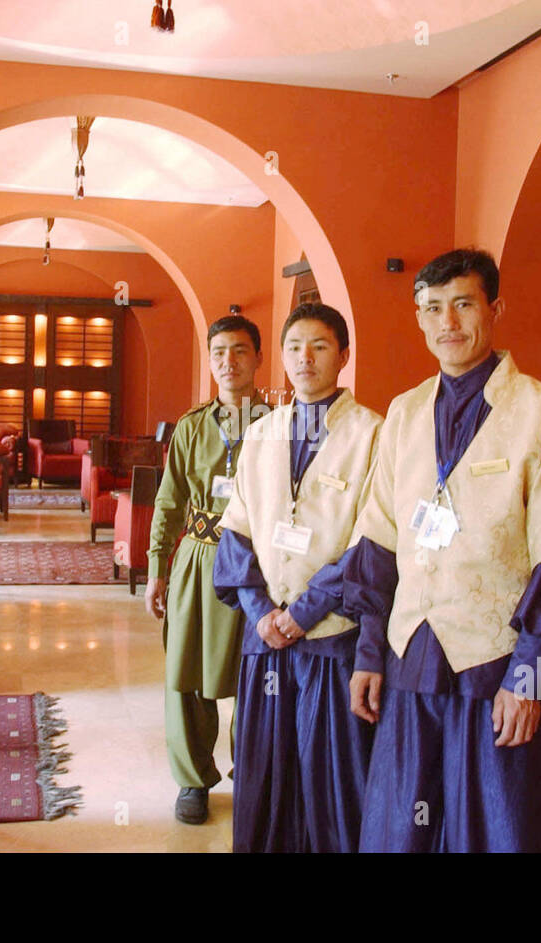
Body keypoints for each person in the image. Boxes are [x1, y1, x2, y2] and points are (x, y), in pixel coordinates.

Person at [343, 248, 541, 852]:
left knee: (494, 828)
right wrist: (370, 653)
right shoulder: (402, 414)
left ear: (494, 308)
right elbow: (377, 542)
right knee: (401, 827)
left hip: (494, 663)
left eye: (462, 304)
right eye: (431, 309)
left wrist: (528, 676)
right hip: (411, 652)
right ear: (420, 320)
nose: (447, 322)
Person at [213, 303, 382, 852]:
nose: (304, 359)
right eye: (294, 348)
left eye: (320, 346)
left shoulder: (373, 435)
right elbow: (235, 530)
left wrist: (302, 613)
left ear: (344, 355)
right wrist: (262, 613)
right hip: (266, 641)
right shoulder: (262, 432)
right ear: (281, 358)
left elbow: (372, 542)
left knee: (332, 780)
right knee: (264, 770)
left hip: (330, 639)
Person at [145, 315, 267, 825]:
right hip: (199, 558)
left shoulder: (279, 424)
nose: (228, 361)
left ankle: (254, 771)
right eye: (219, 352)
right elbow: (169, 500)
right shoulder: (192, 425)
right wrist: (156, 566)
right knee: (187, 672)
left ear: (258, 358)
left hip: (258, 564)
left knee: (258, 674)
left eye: (239, 351)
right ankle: (193, 780)